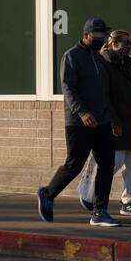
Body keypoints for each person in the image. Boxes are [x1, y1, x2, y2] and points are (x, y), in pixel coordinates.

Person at [37, 18, 120, 227]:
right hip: (78, 122)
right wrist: (82, 112)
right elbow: (68, 89)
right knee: (74, 164)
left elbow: (105, 93)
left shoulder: (99, 59)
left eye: (103, 36)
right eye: (97, 36)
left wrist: (112, 118)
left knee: (107, 164)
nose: (101, 40)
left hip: (102, 121)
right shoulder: (71, 56)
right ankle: (47, 193)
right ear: (86, 35)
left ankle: (100, 211)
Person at [77, 30, 131, 217]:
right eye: (123, 42)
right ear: (112, 43)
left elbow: (126, 95)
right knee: (114, 162)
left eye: (129, 42)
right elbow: (103, 97)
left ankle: (129, 201)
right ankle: (89, 192)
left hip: (129, 121)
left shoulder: (126, 66)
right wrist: (114, 121)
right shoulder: (102, 65)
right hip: (112, 122)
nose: (127, 46)